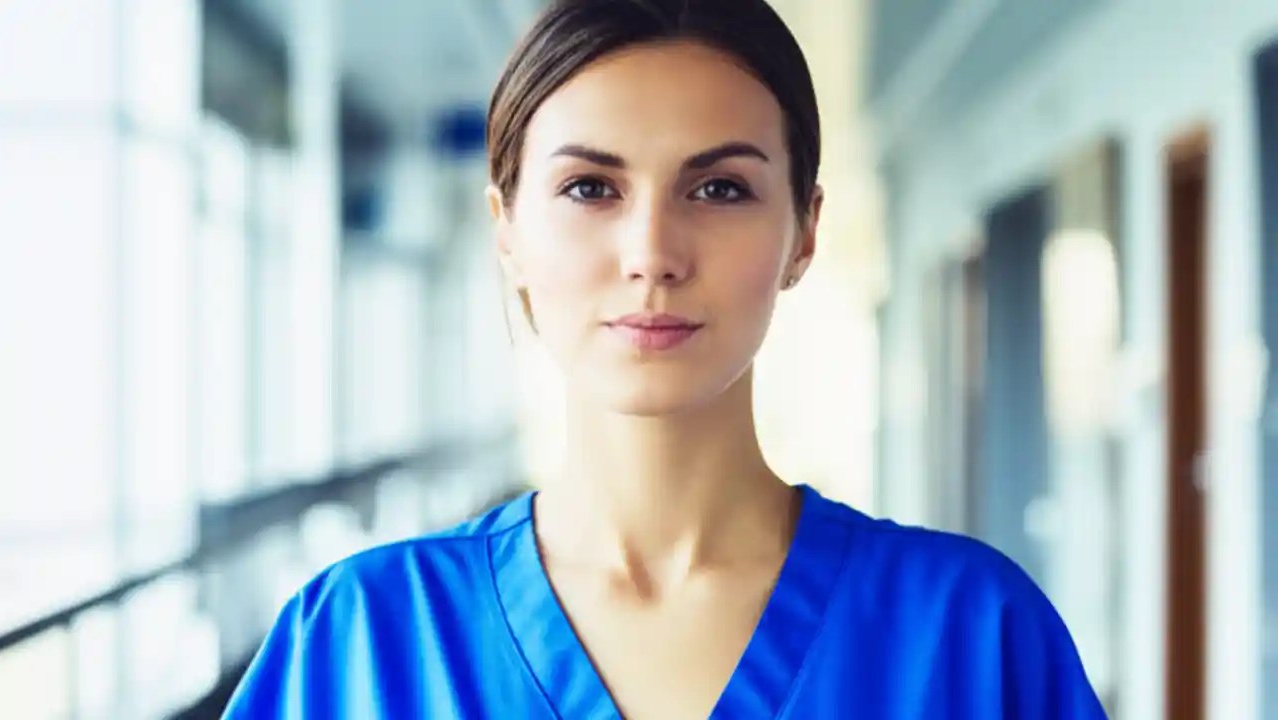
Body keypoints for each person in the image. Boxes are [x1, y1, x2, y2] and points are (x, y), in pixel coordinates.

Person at [223, 0, 1108, 717]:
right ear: (509, 232)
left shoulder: (972, 641)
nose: (652, 251)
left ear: (803, 232)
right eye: (589, 189)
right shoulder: (362, 646)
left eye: (719, 188)